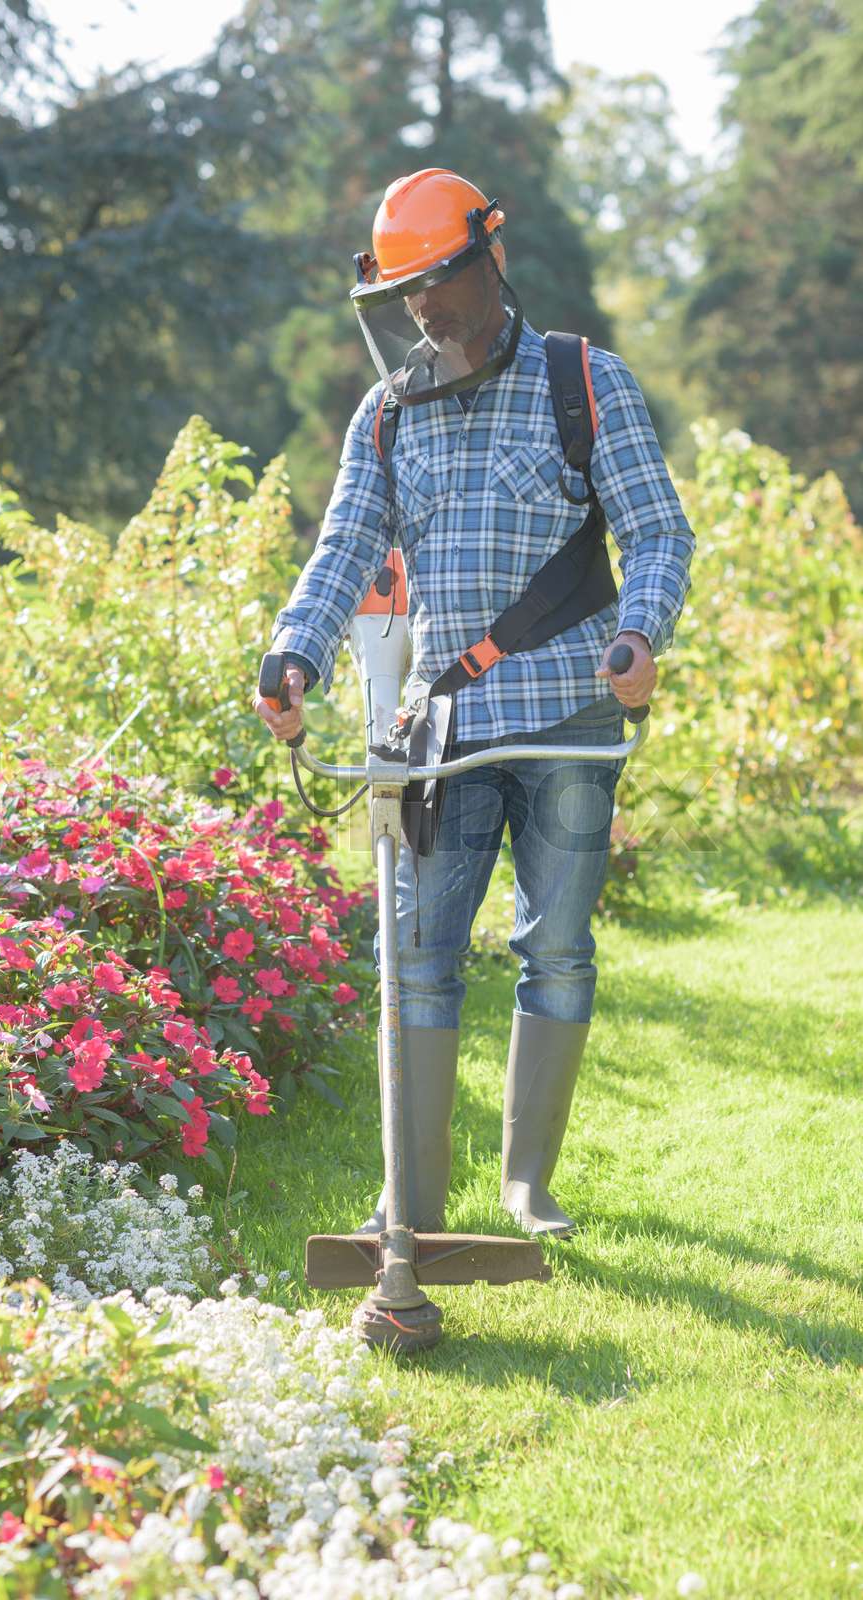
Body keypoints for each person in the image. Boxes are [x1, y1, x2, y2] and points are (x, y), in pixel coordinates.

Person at [254, 168, 694, 1239]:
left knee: (557, 948)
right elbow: (344, 549)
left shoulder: (583, 380)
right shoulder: (388, 413)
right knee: (415, 956)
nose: (423, 307)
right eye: (404, 291)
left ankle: (525, 1187)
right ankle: (410, 1201)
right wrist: (292, 653)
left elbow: (659, 531)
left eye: (437, 279)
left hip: (569, 720)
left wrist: (641, 635)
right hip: (440, 732)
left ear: (489, 259)